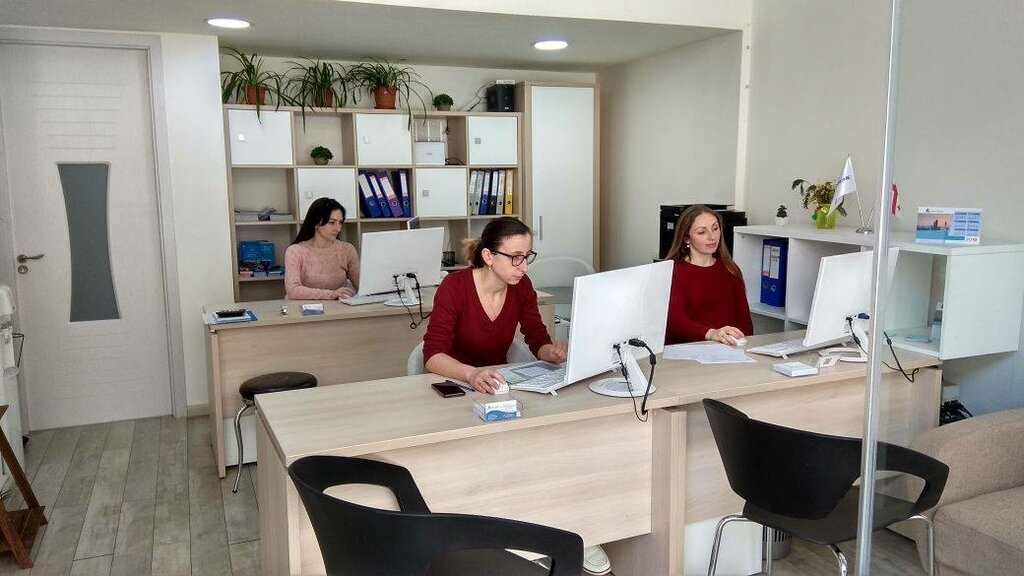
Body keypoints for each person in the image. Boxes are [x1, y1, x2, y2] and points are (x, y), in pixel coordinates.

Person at [423, 217, 568, 394]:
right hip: (454, 383)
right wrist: (471, 374)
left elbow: (537, 339)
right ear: (488, 256)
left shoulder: (522, 286)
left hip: (496, 385)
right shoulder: (454, 286)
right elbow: (432, 355)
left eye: (527, 257)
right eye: (516, 257)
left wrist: (551, 353)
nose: (524, 268)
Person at [664, 205, 752, 345]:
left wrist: (742, 345)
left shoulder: (730, 270)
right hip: (686, 350)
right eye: (702, 232)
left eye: (715, 228)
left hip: (727, 349)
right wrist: (712, 334)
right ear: (686, 238)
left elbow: (745, 324)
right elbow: (676, 322)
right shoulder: (673, 272)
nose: (712, 237)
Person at [284, 198, 360, 300]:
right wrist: (331, 294)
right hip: (303, 308)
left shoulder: (347, 250)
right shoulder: (295, 251)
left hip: (339, 307)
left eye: (340, 222)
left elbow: (361, 286)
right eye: (332, 223)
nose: (338, 229)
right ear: (316, 223)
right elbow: (293, 290)